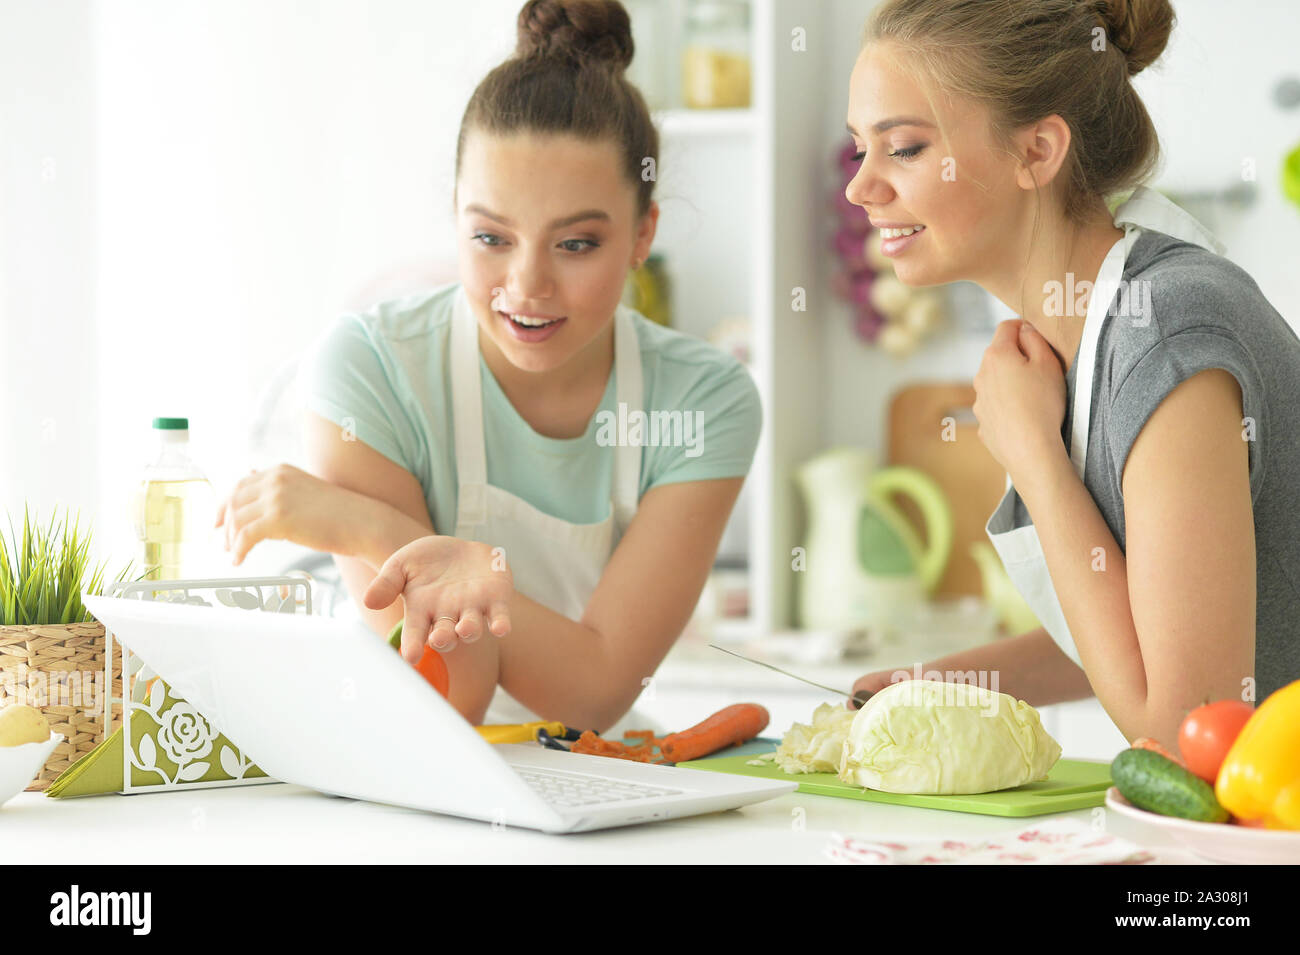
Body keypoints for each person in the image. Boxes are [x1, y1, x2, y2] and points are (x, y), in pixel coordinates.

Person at [214, 0, 760, 735]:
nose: (527, 285)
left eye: (576, 245)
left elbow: (597, 691)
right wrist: (378, 532)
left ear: (641, 235)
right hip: (412, 763)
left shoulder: (705, 400)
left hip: (598, 779)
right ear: (455, 216)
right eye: (490, 236)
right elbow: (444, 696)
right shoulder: (369, 369)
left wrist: (404, 543)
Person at [843, 0, 1300, 749]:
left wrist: (1037, 463)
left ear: (1038, 152)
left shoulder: (1168, 334)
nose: (862, 187)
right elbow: (1138, 633)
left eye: (904, 149)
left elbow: (1181, 728)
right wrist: (937, 683)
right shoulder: (1087, 333)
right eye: (860, 148)